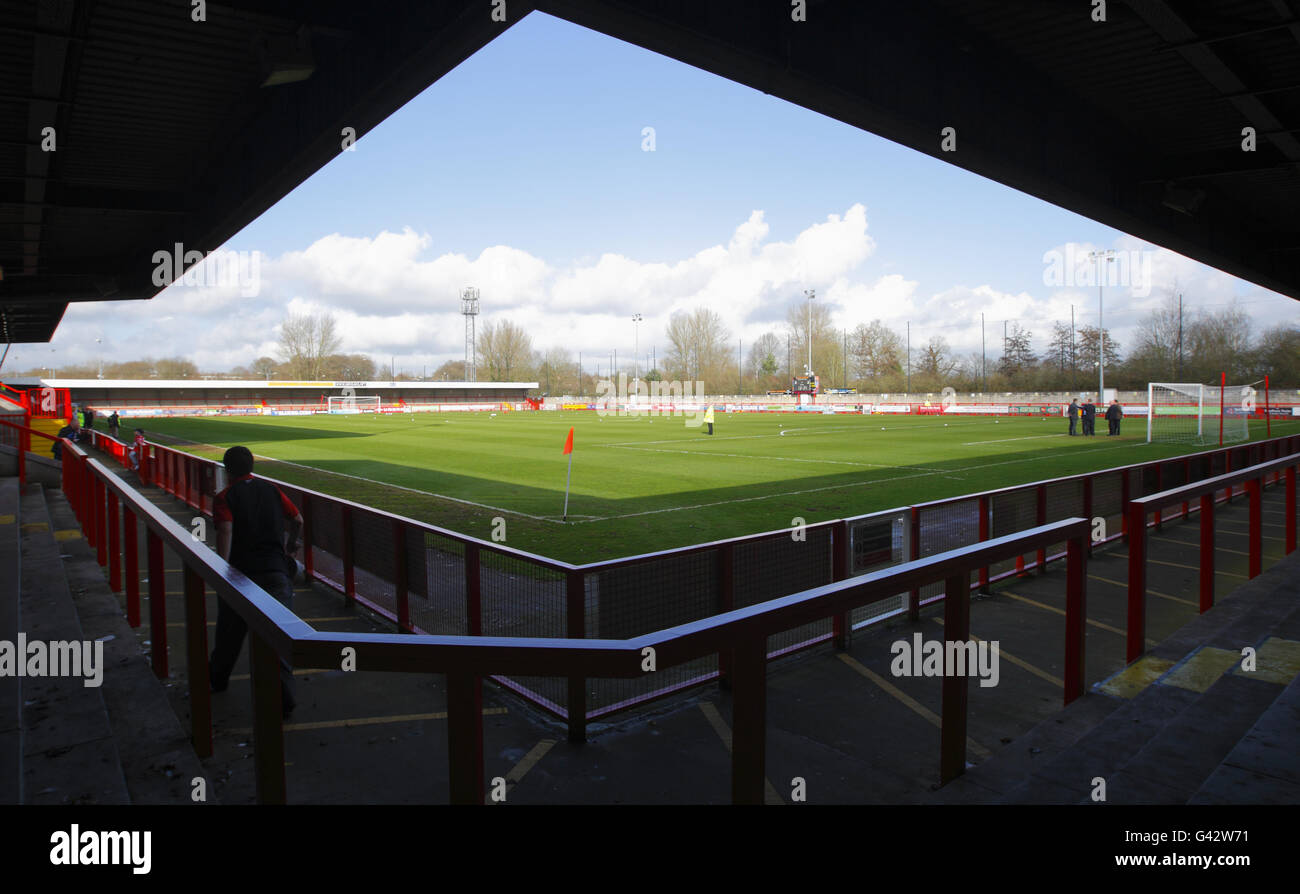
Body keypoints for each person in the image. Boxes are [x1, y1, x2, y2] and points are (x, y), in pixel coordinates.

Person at [208, 446, 303, 718]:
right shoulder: (271, 490)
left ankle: (218, 680)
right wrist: (290, 545)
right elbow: (297, 519)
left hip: (241, 575)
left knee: (228, 635)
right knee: (279, 639)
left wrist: (222, 569)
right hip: (275, 572)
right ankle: (285, 702)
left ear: (227, 470)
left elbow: (226, 529)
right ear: (251, 466)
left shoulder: (225, 496)